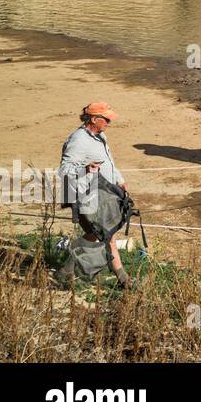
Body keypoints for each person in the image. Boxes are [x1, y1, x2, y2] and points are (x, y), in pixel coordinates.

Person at [57, 102, 131, 288]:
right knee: (103, 233)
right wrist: (84, 168)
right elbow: (64, 169)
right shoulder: (78, 140)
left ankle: (123, 279)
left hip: (100, 193)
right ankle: (122, 279)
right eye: (105, 119)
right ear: (93, 119)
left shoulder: (100, 136)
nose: (108, 122)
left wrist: (119, 179)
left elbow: (109, 163)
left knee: (106, 233)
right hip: (83, 194)